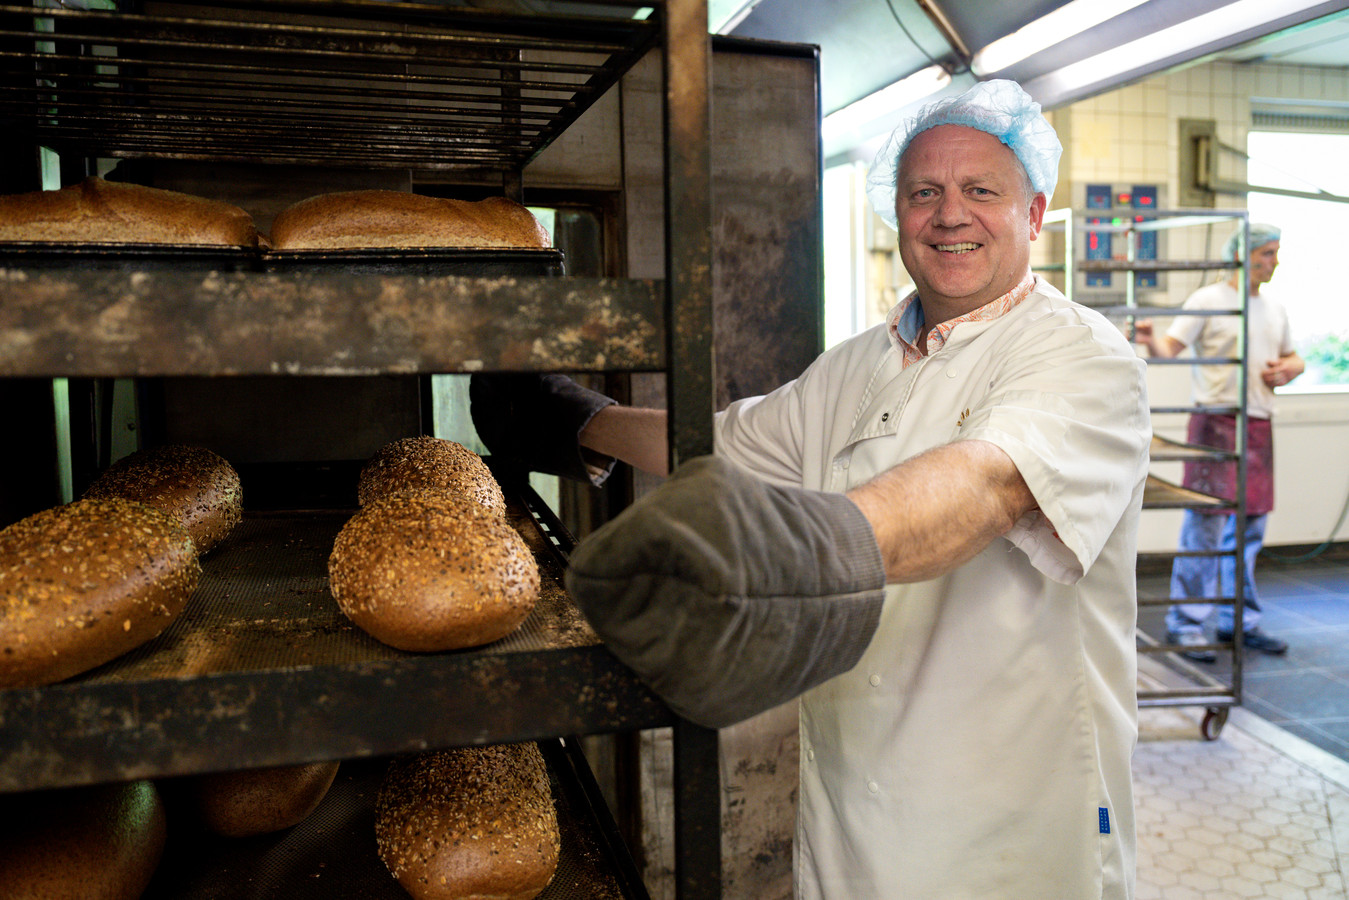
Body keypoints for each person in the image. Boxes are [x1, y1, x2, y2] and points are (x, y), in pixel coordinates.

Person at [473, 79, 1150, 899]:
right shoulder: (857, 364)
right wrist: (577, 419)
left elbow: (986, 485)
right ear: (895, 213)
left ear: (1032, 214)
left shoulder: (1080, 358)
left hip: (1008, 815)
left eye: (981, 191)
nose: (949, 214)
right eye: (922, 193)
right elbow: (721, 444)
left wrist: (781, 555)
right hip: (853, 797)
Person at [1135, 224, 1303, 663]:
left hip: (1258, 424)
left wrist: (1290, 369)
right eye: (1268, 252)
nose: (1274, 262)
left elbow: (1294, 356)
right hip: (1215, 424)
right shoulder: (1208, 301)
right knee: (1205, 527)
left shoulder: (1274, 308)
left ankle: (1239, 622)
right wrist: (1149, 337)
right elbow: (1169, 349)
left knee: (1249, 529)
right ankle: (1187, 624)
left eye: (1276, 252)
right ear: (1242, 253)